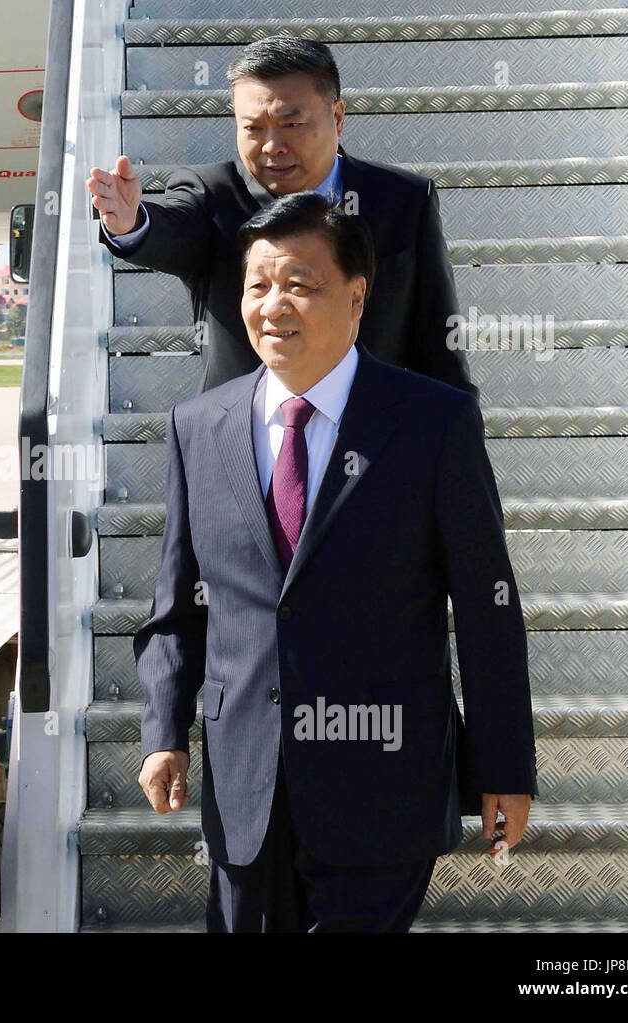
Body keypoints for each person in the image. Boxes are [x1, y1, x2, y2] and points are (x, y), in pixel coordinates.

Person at [133, 192, 535, 932]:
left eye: (300, 284)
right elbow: (178, 607)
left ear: (356, 297)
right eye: (257, 285)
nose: (273, 305)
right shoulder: (199, 425)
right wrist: (165, 731)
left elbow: (487, 606)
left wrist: (502, 766)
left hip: (384, 780)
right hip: (245, 789)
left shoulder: (432, 421)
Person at [86, 35, 473, 396]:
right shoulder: (212, 195)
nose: (272, 146)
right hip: (247, 431)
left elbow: (438, 349)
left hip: (372, 431)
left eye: (292, 125)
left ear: (338, 116)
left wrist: (456, 430)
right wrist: (133, 223)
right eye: (253, 128)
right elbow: (171, 231)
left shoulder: (402, 199)